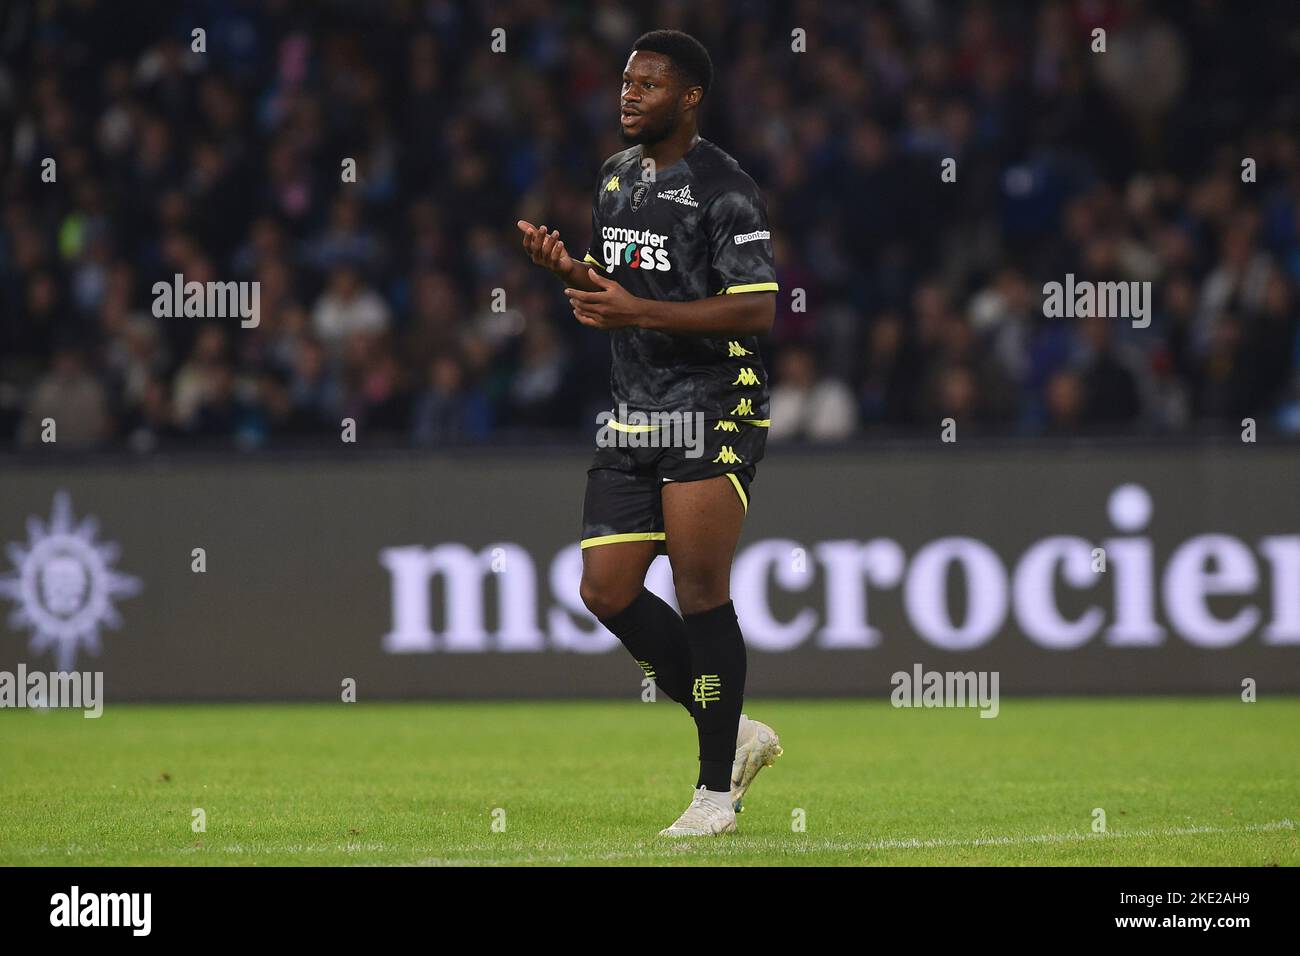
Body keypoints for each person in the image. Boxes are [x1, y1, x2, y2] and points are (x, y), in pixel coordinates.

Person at [517, 29, 783, 836]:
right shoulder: (615, 178)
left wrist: (636, 310)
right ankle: (732, 730)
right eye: (625, 82)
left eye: (648, 84)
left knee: (702, 592)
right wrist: (571, 275)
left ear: (689, 96)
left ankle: (714, 796)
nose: (628, 94)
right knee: (606, 589)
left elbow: (758, 308)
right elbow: (623, 290)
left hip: (714, 402)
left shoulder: (725, 188)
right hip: (636, 407)